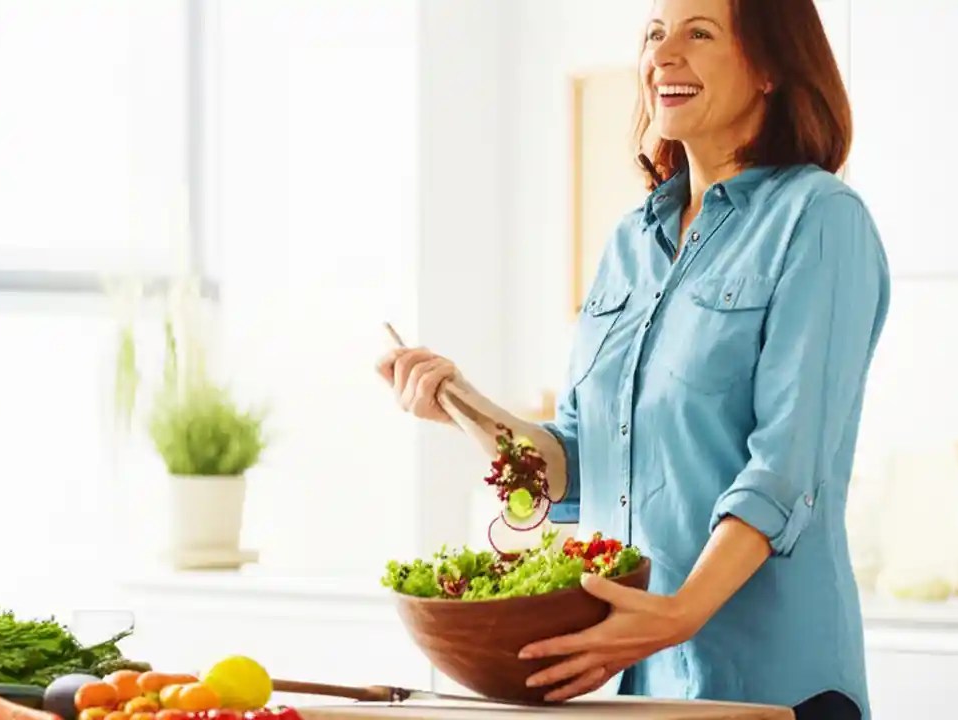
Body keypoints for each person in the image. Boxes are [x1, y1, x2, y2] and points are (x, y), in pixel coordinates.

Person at [376, 0, 889, 717]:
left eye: (698, 34)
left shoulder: (820, 218)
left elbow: (785, 466)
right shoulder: (629, 243)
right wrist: (460, 402)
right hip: (631, 682)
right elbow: (575, 464)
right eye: (654, 34)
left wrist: (678, 612)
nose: (662, 56)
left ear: (770, 66)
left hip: (771, 685)